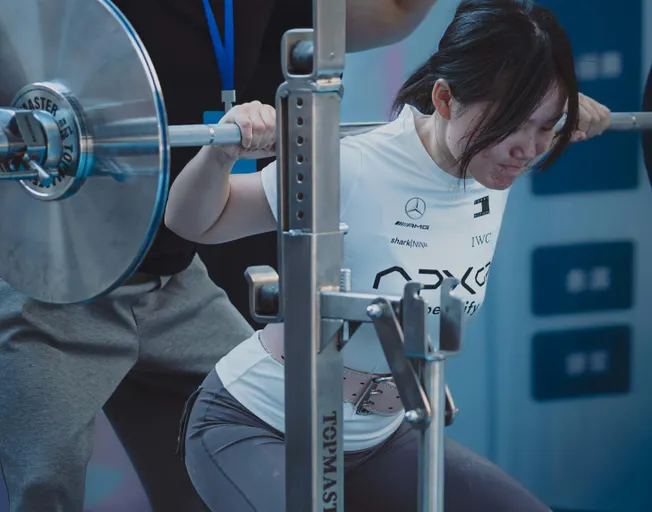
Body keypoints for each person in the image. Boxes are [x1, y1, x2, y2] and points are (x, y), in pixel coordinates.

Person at [165, 0, 612, 510]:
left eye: (545, 126)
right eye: (513, 124)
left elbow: (535, 125)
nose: (528, 150)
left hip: (377, 438)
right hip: (259, 423)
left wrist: (569, 114)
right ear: (445, 98)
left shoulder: (498, 163)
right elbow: (194, 221)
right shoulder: (354, 167)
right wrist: (220, 152)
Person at [0, 1, 439, 511]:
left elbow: (390, 14)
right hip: (52, 287)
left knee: (262, 434)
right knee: (40, 493)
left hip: (174, 280)